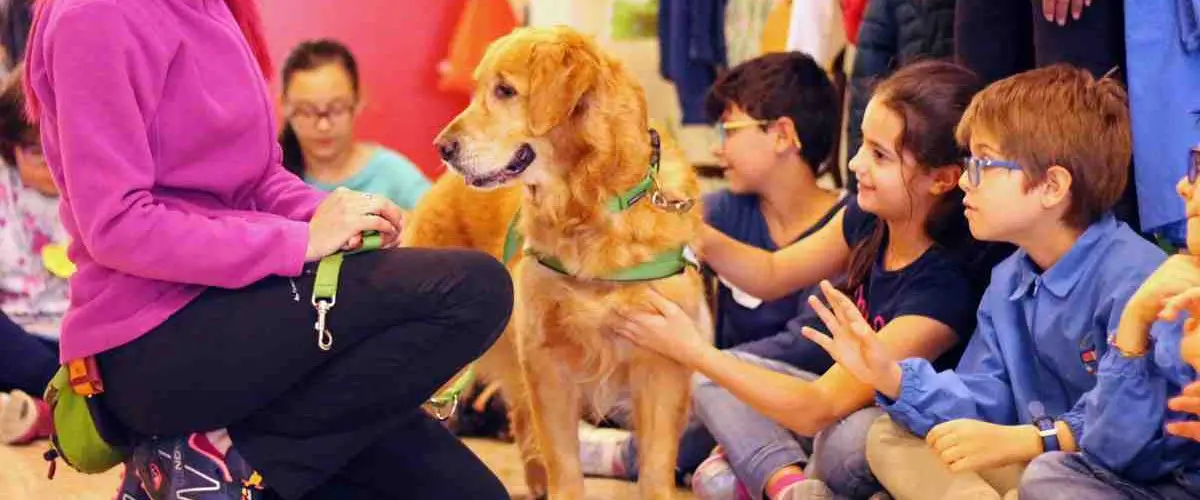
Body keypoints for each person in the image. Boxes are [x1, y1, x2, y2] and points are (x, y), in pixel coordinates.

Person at [24, 1, 512, 499]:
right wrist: (299, 241)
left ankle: (225, 461)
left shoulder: (212, 7)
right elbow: (117, 224)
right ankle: (217, 467)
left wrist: (337, 216)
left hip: (247, 316)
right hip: (152, 341)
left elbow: (257, 178)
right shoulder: (95, 14)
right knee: (471, 290)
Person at [612, 60, 1002, 500]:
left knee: (851, 435)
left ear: (943, 179)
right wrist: (683, 225)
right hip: (822, 412)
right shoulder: (866, 217)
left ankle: (760, 469)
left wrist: (689, 348)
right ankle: (787, 483)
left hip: (863, 429)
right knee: (710, 377)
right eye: (860, 146)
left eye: (879, 155)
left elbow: (820, 406)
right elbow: (772, 273)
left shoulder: (944, 287)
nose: (854, 164)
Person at [803, 65, 1165, 500]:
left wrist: (1034, 442)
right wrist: (891, 375)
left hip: (1120, 482)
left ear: (1052, 186)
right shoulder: (1008, 278)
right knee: (887, 436)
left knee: (1045, 481)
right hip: (1034, 465)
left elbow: (1129, 437)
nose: (965, 181)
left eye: (983, 164)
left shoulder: (1135, 277)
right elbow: (983, 396)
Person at [578, 50, 847, 485]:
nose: (718, 147)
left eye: (729, 129)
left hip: (795, 395)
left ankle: (630, 455)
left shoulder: (847, 223)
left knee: (700, 397)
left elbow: (806, 345)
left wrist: (708, 365)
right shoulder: (720, 210)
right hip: (714, 386)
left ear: (782, 135)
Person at [1016, 148, 1200, 498]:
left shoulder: (1129, 265)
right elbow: (1108, 454)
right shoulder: (1177, 282)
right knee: (1049, 476)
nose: (1182, 186)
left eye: (982, 164)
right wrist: (1134, 324)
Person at [279, 39, 431, 210]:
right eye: (306, 112)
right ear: (284, 105)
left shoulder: (392, 173)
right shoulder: (275, 180)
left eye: (336, 110)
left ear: (358, 100)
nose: (323, 126)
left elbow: (442, 223)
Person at [0, 69, 61, 445]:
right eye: (36, 152)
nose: (53, 166)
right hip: (19, 339)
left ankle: (47, 412)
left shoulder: (103, 185)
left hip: (86, 340)